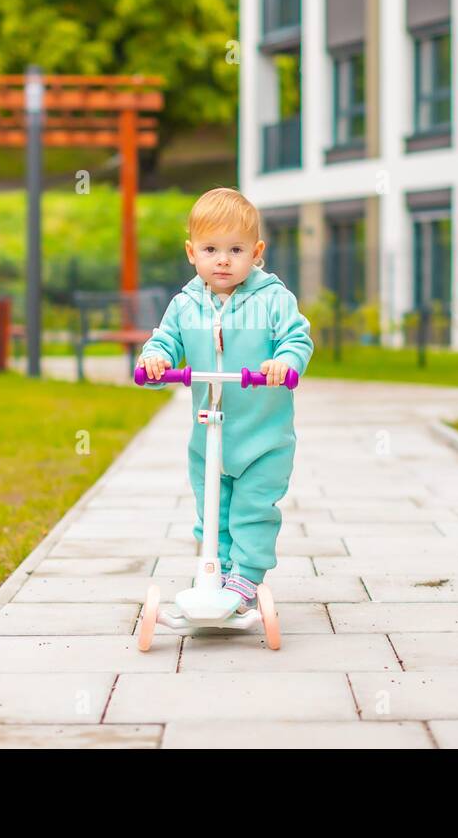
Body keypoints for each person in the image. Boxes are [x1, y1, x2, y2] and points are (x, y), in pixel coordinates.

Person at [137, 187, 314, 611]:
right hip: (208, 434)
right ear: (191, 252)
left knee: (252, 509)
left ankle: (247, 577)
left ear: (256, 252)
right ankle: (214, 569)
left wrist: (283, 363)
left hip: (263, 438)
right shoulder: (185, 304)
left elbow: (296, 337)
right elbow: (166, 340)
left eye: (235, 249)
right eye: (211, 249)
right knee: (211, 510)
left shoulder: (273, 299)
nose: (222, 259)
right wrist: (156, 359)